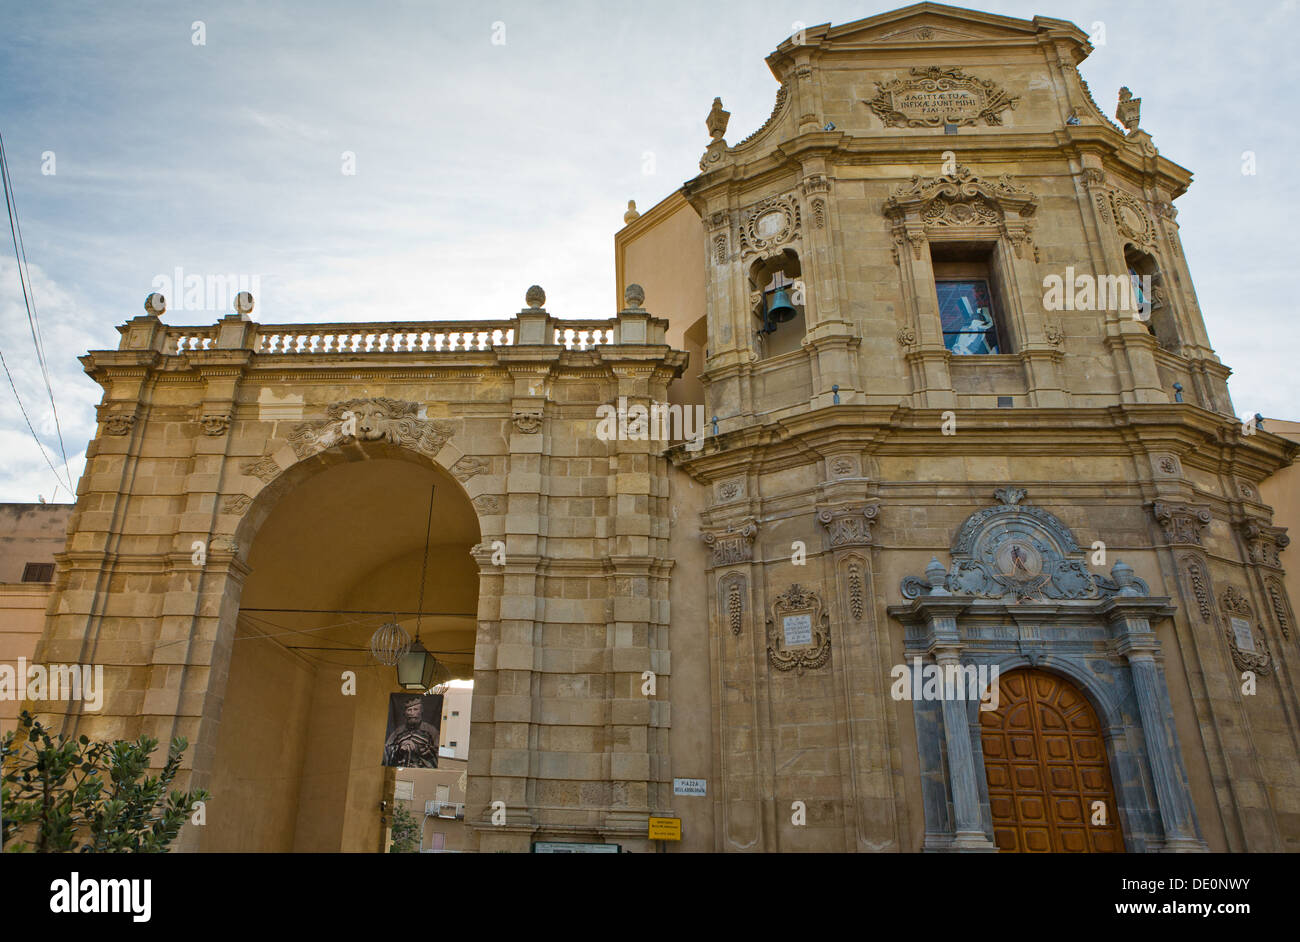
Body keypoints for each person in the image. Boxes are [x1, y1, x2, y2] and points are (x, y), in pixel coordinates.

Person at [383, 695, 440, 768]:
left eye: (415, 709)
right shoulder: (398, 732)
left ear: (421, 711)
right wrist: (399, 749)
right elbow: (386, 750)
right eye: (409, 710)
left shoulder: (431, 731)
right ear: (405, 713)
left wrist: (417, 748)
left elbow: (438, 753)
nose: (412, 713)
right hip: (401, 772)